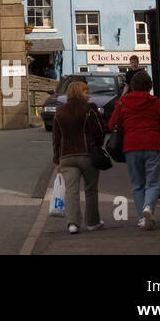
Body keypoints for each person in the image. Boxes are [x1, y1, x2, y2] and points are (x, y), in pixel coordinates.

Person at [108, 69, 160, 231]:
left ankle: (142, 219)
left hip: (131, 146)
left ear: (132, 86)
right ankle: (149, 208)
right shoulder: (156, 103)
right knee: (154, 182)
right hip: (153, 144)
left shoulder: (123, 102)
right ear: (149, 86)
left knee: (137, 184)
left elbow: (112, 125)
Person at [51, 79, 105, 234]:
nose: (89, 95)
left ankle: (72, 223)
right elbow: (99, 132)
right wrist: (98, 144)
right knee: (90, 188)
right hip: (87, 154)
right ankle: (93, 222)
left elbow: (56, 139)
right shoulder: (89, 110)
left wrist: (57, 160)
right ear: (78, 93)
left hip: (67, 156)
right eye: (86, 92)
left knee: (71, 190)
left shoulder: (59, 112)